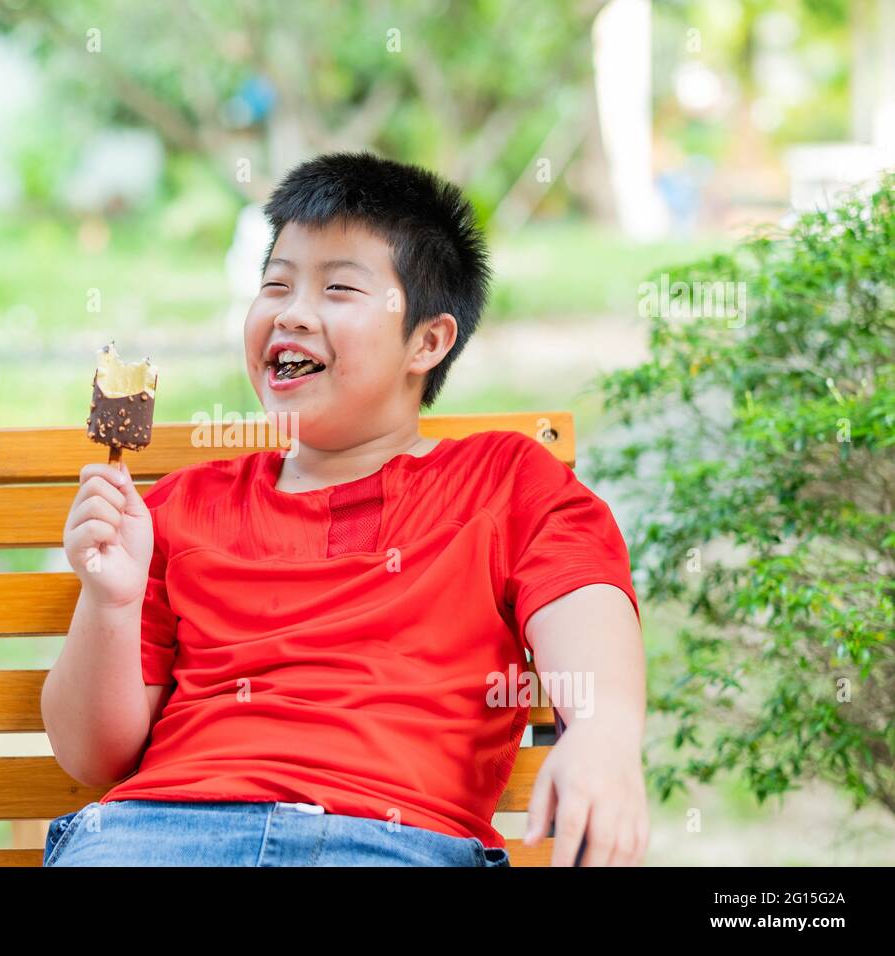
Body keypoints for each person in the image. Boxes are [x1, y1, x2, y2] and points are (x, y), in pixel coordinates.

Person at [43, 150, 647, 867]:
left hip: (391, 843)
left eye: (338, 289)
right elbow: (93, 755)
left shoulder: (506, 480)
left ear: (427, 340)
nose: (292, 313)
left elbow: (583, 611)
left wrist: (603, 734)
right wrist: (108, 602)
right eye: (276, 284)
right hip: (162, 834)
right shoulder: (179, 507)